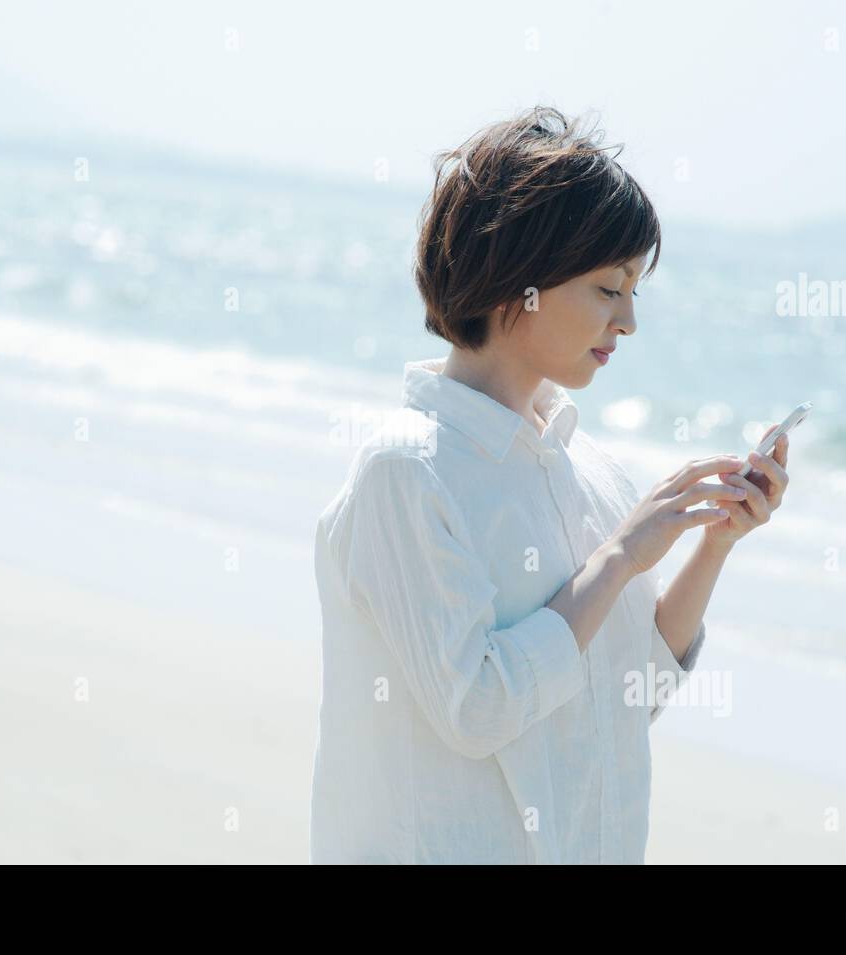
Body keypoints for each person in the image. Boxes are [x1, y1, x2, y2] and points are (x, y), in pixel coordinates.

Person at [309, 105, 790, 864]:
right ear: (515, 283)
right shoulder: (407, 470)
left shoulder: (586, 468)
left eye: (634, 289)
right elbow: (475, 705)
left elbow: (627, 697)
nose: (628, 319)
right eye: (608, 288)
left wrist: (713, 545)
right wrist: (622, 556)